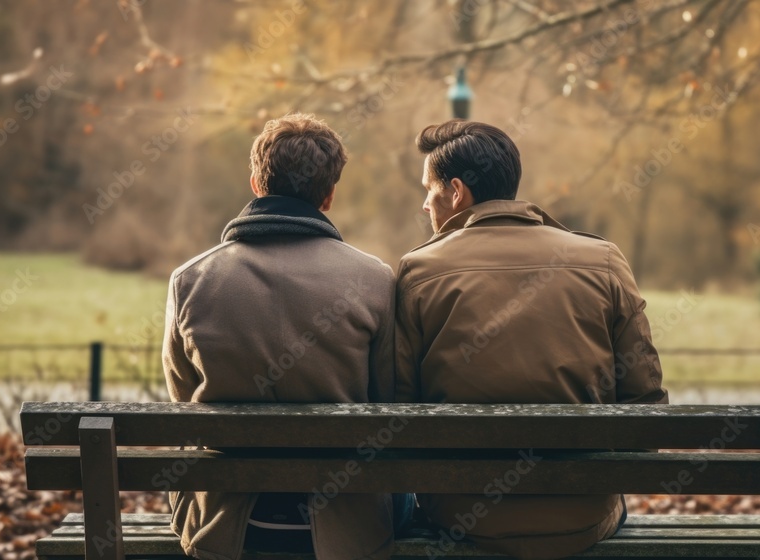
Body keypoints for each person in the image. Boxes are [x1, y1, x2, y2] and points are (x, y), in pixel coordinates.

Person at [395, 120, 669, 559]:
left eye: (429, 190)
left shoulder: (418, 273)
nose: (426, 205)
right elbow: (646, 408)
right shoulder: (602, 260)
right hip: (583, 516)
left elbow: (399, 414)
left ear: (457, 192)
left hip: (462, 516)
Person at [162, 113, 408, 560]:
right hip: (346, 525)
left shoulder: (190, 279)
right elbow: (387, 397)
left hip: (225, 524)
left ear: (256, 183)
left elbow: (184, 402)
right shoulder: (373, 279)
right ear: (328, 195)